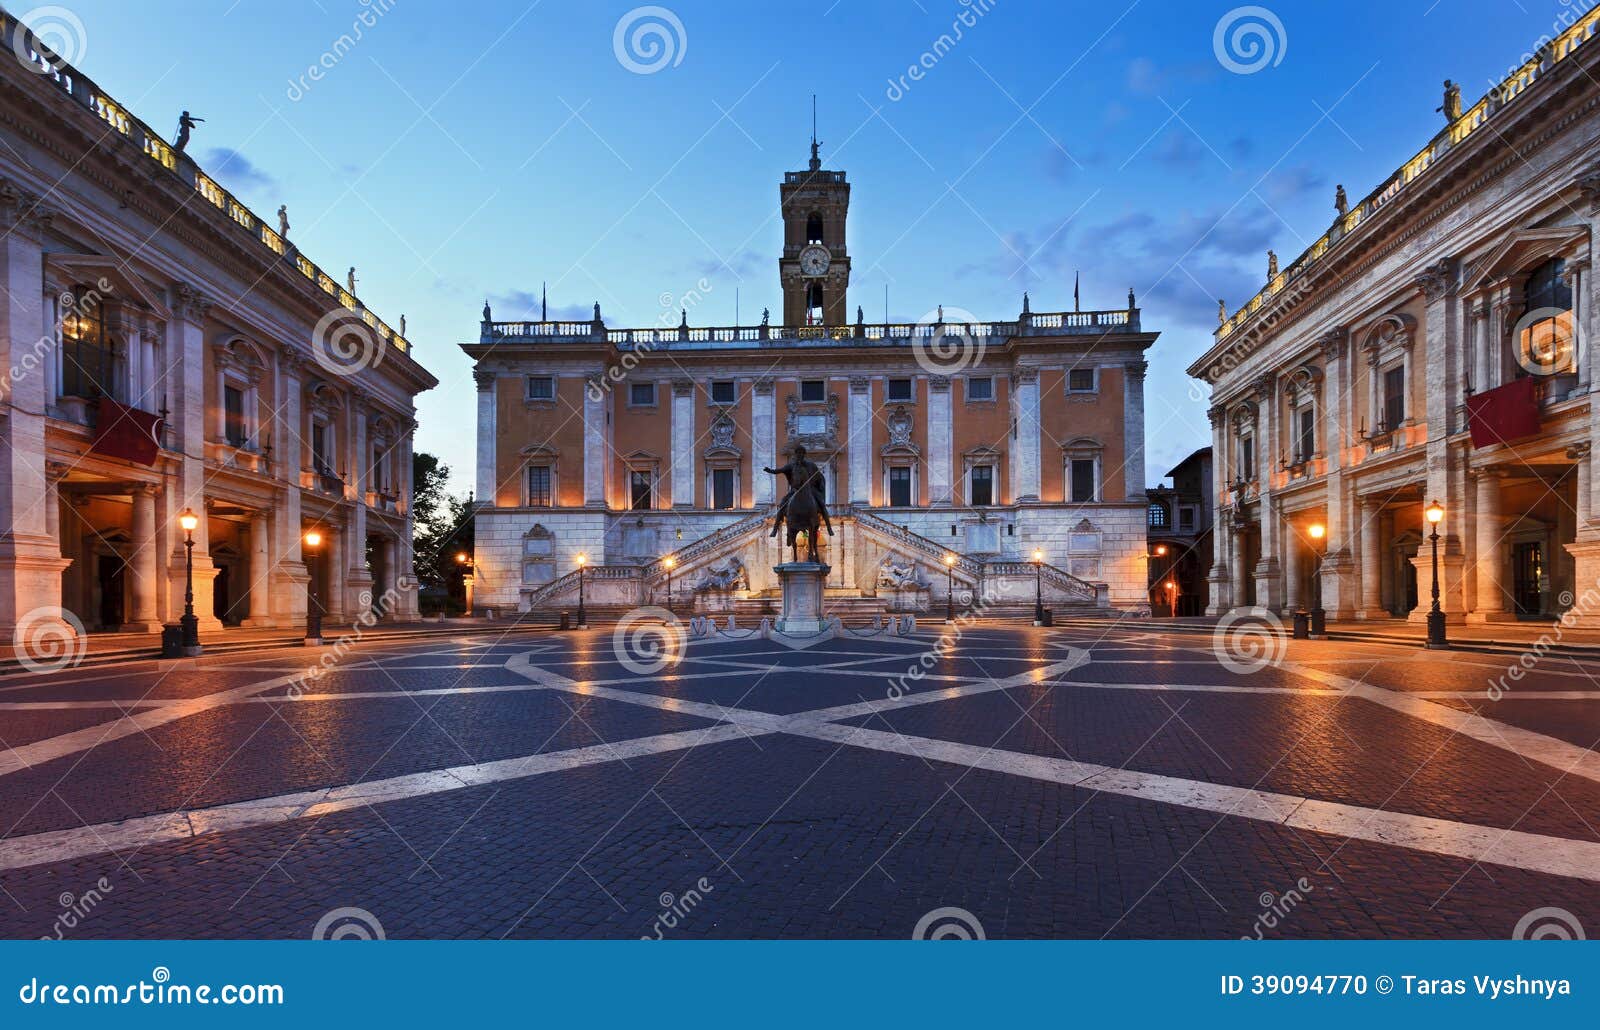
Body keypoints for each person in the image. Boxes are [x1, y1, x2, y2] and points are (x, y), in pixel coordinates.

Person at [764, 445, 833, 539]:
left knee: (822, 505)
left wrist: (820, 484)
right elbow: (780, 470)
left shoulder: (811, 465)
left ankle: (829, 527)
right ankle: (775, 529)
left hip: (811, 489)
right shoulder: (791, 465)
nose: (799, 455)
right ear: (795, 454)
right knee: (782, 504)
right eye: (798, 453)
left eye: (801, 453)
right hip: (795, 490)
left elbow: (819, 476)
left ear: (804, 454)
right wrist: (770, 471)